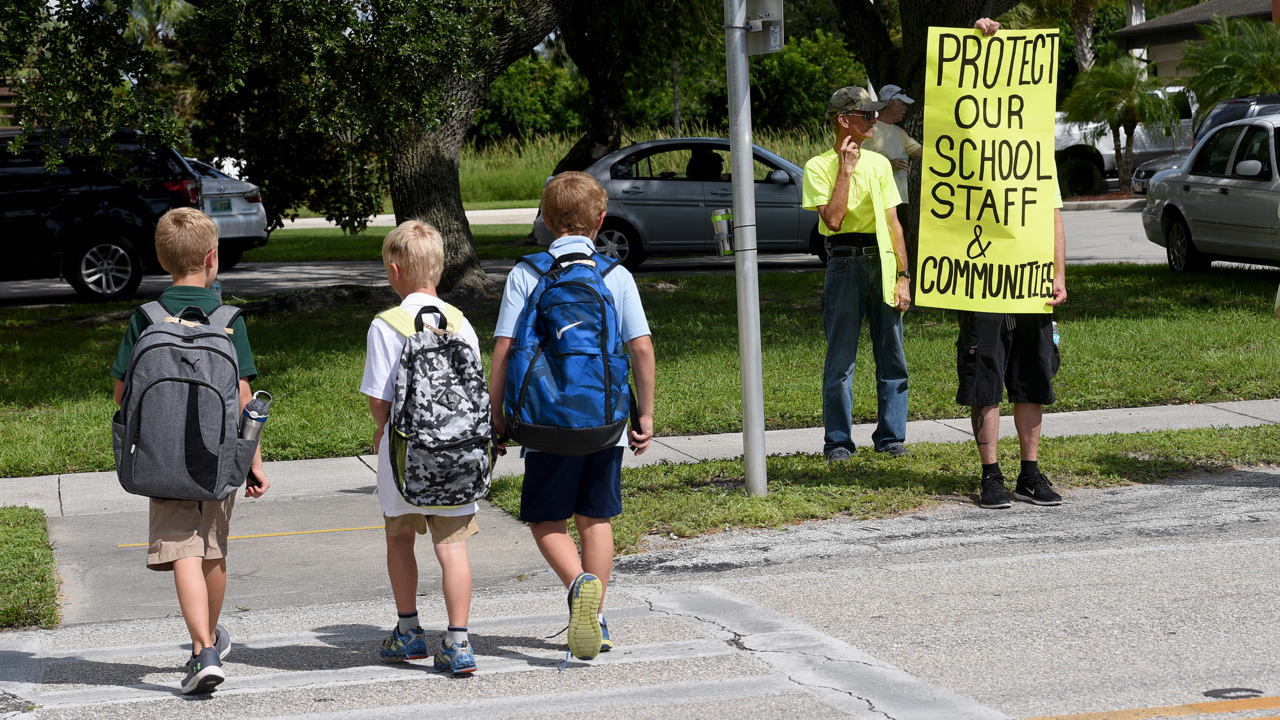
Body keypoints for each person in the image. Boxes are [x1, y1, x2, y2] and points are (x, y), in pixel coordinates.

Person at [490, 171, 656, 663]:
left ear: (543, 219)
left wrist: (498, 416)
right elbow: (641, 348)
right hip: (604, 422)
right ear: (601, 219)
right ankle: (597, 616)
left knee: (546, 518)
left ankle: (576, 583)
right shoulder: (615, 275)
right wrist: (643, 414)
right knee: (595, 517)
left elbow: (504, 349)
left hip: (546, 421)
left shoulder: (528, 274)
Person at [110, 207, 270, 695]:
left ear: (162, 260)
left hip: (161, 458)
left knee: (181, 548)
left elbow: (122, 394)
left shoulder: (145, 319)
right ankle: (211, 644)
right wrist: (253, 461)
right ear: (211, 258)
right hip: (218, 459)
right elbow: (243, 396)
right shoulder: (228, 320)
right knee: (212, 551)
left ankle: (202, 648)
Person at [361, 220, 483, 674]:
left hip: (405, 456)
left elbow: (379, 395)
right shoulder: (460, 321)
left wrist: (382, 428)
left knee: (399, 539)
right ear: (439, 268)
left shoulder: (386, 325)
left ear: (394, 271)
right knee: (453, 548)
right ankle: (458, 642)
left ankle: (409, 631)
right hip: (457, 456)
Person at [960, 17, 1070, 509]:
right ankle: (991, 476)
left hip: (1029, 284)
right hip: (981, 280)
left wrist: (1059, 273)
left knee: (1032, 376)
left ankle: (1030, 472)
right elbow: (968, 91)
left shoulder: (1037, 158)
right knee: (985, 375)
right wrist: (983, 43)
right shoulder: (965, 152)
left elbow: (1053, 217)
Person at [802, 86, 913, 462]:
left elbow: (893, 223)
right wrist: (846, 170)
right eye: (867, 115)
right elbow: (832, 220)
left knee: (892, 354)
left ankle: (891, 436)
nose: (875, 120)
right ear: (843, 121)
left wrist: (903, 276)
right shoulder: (818, 166)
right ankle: (838, 441)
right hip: (844, 262)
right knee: (840, 359)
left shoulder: (880, 164)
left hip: (882, 261)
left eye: (876, 114)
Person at [860, 84, 923, 207]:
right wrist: (889, 164)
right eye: (903, 104)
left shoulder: (899, 132)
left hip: (900, 200)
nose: (906, 109)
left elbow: (924, 153)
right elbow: (859, 163)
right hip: (880, 202)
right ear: (892, 104)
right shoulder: (870, 130)